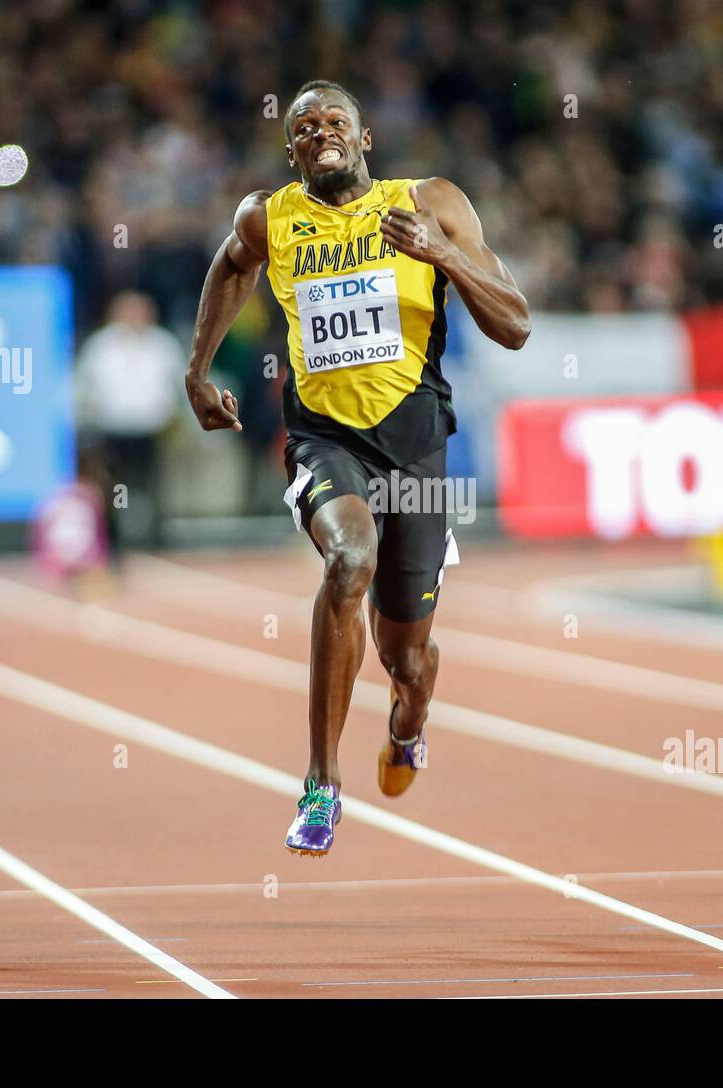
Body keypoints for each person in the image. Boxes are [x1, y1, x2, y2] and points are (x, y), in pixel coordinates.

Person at [185, 81, 529, 856]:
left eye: (335, 119)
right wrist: (198, 369)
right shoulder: (269, 216)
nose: (320, 131)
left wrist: (440, 254)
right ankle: (320, 784)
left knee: (405, 655)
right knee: (348, 562)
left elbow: (516, 324)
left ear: (365, 138)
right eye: (303, 125)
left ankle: (409, 723)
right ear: (292, 150)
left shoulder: (430, 201)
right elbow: (232, 265)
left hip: (415, 450)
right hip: (325, 441)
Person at [74, 290, 184, 551]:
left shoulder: (163, 345)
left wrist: (172, 415)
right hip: (112, 429)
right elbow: (84, 387)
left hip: (153, 428)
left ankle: (156, 537)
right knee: (113, 488)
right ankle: (113, 538)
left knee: (155, 485)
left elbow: (180, 384)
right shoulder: (100, 346)